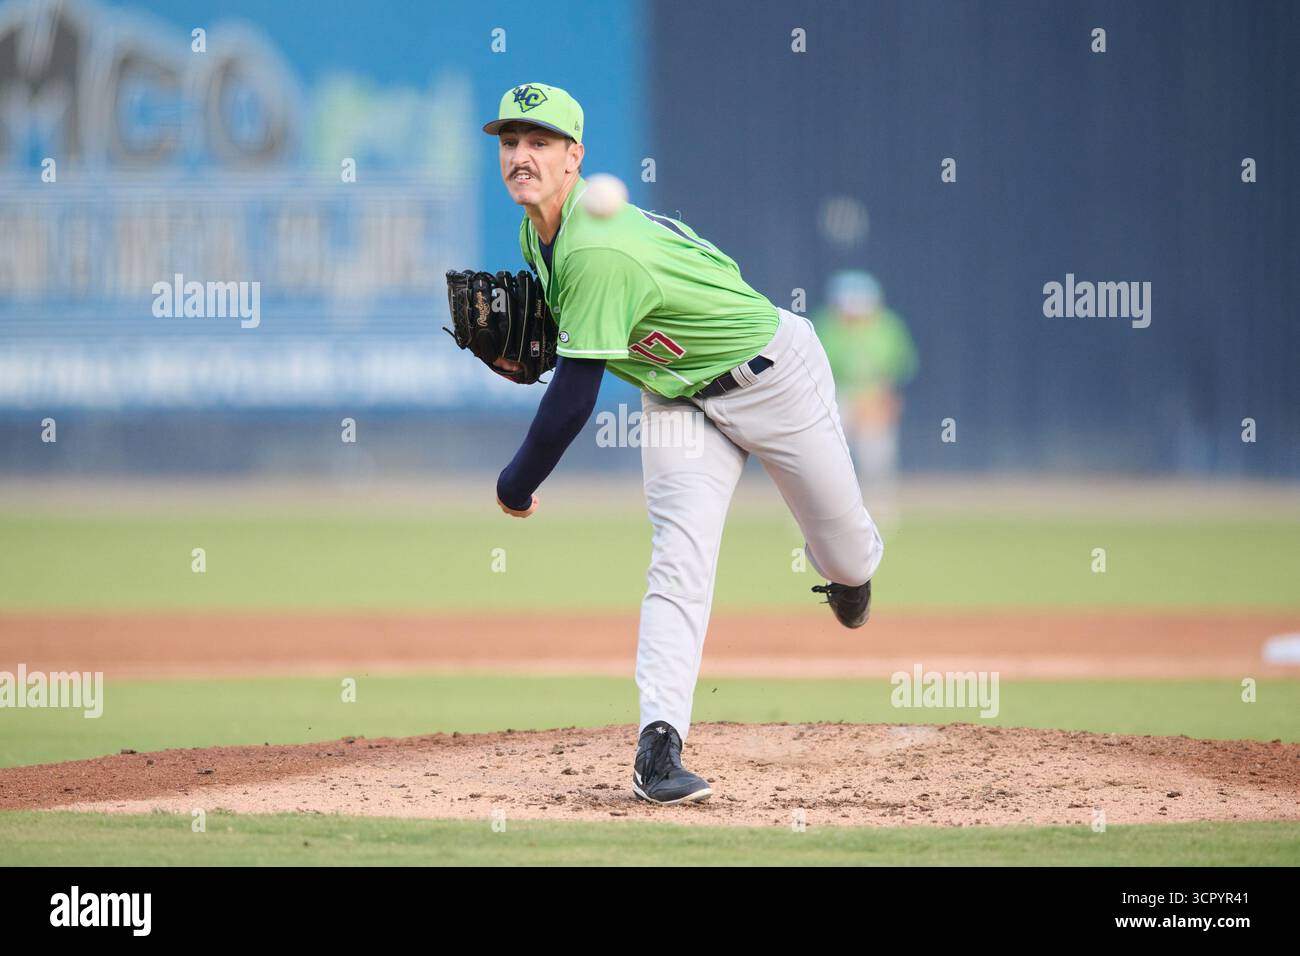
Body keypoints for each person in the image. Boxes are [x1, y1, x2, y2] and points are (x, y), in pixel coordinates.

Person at [483, 83, 884, 805]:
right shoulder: (534, 230)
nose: (521, 156)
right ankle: (658, 748)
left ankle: (851, 580)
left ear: (575, 157)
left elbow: (574, 398)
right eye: (510, 142)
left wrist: (516, 485)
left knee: (845, 550)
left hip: (774, 378)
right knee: (679, 554)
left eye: (539, 142)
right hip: (677, 393)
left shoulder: (597, 250)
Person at [812, 271, 918, 528]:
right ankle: (818, 509)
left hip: (874, 393)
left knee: (876, 455)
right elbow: (816, 366)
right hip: (838, 394)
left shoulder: (888, 326)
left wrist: (888, 394)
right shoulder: (826, 326)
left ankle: (880, 509)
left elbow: (901, 363)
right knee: (827, 452)